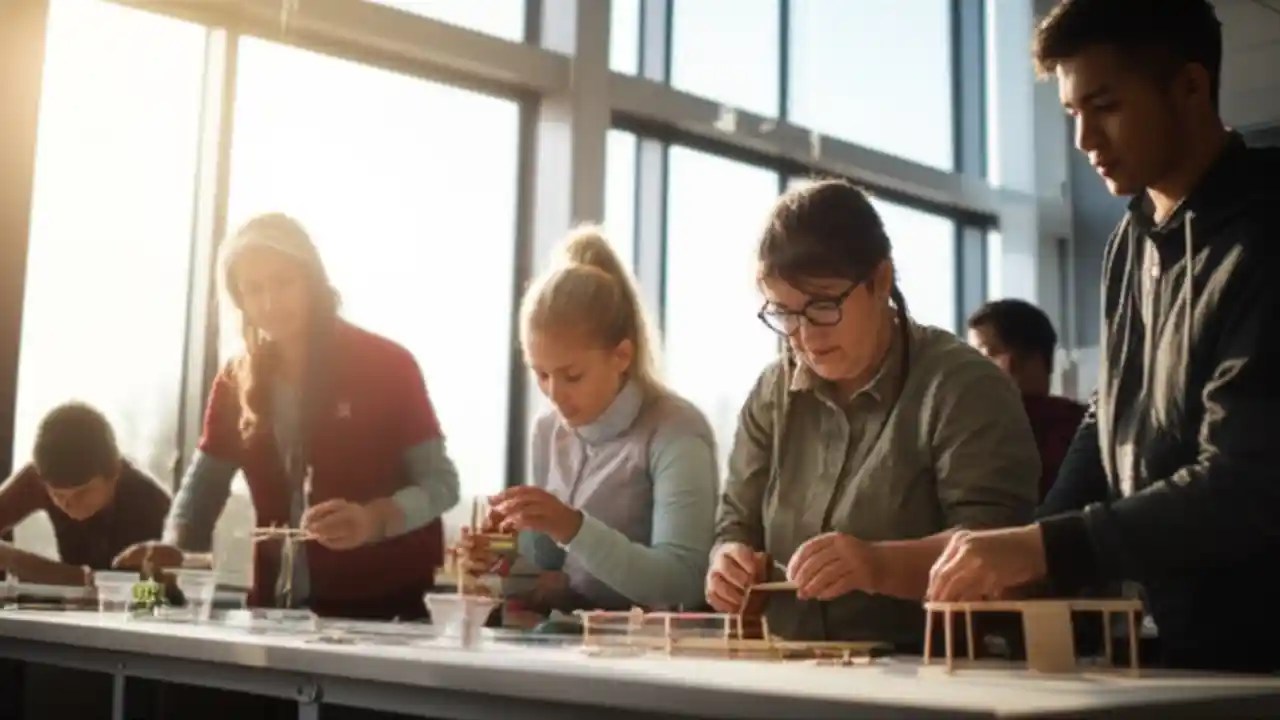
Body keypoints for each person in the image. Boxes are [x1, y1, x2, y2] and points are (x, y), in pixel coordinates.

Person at [927, 0, 1280, 673]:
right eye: (1071, 113)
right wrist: (1035, 551)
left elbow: (1249, 478)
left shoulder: (1266, 232)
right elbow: (1109, 420)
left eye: (1106, 105)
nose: (1085, 139)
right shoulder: (1128, 240)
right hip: (1184, 652)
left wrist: (1046, 549)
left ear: (1191, 87)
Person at [705, 179, 1039, 648]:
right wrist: (729, 562)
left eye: (822, 306)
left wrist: (878, 565)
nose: (803, 335)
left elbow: (1001, 554)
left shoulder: (964, 386)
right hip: (786, 673)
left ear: (881, 280)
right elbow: (735, 523)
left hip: (925, 680)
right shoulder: (771, 393)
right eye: (784, 313)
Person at [115, 213, 460, 620]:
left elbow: (441, 484)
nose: (270, 302)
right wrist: (172, 551)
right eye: (253, 289)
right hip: (274, 614)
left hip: (385, 612)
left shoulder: (388, 364)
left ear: (312, 280)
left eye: (283, 282)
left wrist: (373, 519)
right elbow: (201, 494)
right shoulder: (233, 382)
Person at [462, 227, 718, 613]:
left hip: (653, 657)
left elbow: (681, 583)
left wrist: (572, 527)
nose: (554, 394)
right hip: (570, 644)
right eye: (541, 374)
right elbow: (549, 569)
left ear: (621, 356)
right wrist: (497, 563)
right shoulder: (547, 432)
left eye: (572, 375)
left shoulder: (676, 430)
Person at [0, 402, 170, 585]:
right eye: (57, 495)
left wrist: (13, 559)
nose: (68, 504)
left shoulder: (151, 505)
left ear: (114, 474)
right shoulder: (39, 478)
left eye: (82, 493)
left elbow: (130, 593)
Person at [968, 299, 1086, 501]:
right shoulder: (1085, 425)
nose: (970, 369)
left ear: (1011, 360)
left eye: (982, 355)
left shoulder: (986, 435)